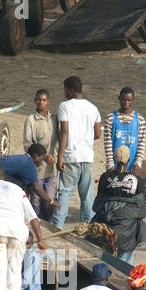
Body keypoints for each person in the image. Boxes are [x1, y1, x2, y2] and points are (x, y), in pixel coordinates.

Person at [53, 75, 103, 228]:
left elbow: (64, 132)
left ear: (70, 90)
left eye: (65, 89)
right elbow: (98, 133)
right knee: (87, 195)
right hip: (87, 157)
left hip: (70, 156)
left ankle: (57, 226)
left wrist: (60, 156)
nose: (64, 92)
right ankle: (88, 228)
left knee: (65, 193)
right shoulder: (92, 107)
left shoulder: (65, 106)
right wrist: (86, 139)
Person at [92, 145, 146, 263]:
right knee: (124, 262)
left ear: (114, 158)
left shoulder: (105, 177)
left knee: (105, 258)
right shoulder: (137, 180)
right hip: (127, 231)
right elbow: (142, 209)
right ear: (129, 160)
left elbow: (97, 204)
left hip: (106, 228)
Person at [0, 146, 58, 213]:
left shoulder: (23, 158)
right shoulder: (28, 163)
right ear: (35, 156)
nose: (41, 163)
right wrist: (50, 201)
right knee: (22, 189)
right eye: (42, 159)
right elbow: (37, 188)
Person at [22, 89, 61, 218]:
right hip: (36, 170)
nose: (41, 102)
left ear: (48, 102)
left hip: (52, 170)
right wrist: (43, 156)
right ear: (34, 100)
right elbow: (28, 144)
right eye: (38, 99)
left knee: (49, 201)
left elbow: (60, 139)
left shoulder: (54, 119)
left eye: (43, 100)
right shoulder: (31, 120)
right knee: (36, 202)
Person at [103, 87, 146, 171]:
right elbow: (108, 143)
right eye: (123, 99)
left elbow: (141, 144)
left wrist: (137, 163)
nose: (126, 102)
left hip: (132, 166)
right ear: (119, 99)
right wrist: (110, 164)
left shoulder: (140, 120)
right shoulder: (110, 118)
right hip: (114, 166)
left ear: (133, 100)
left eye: (129, 100)